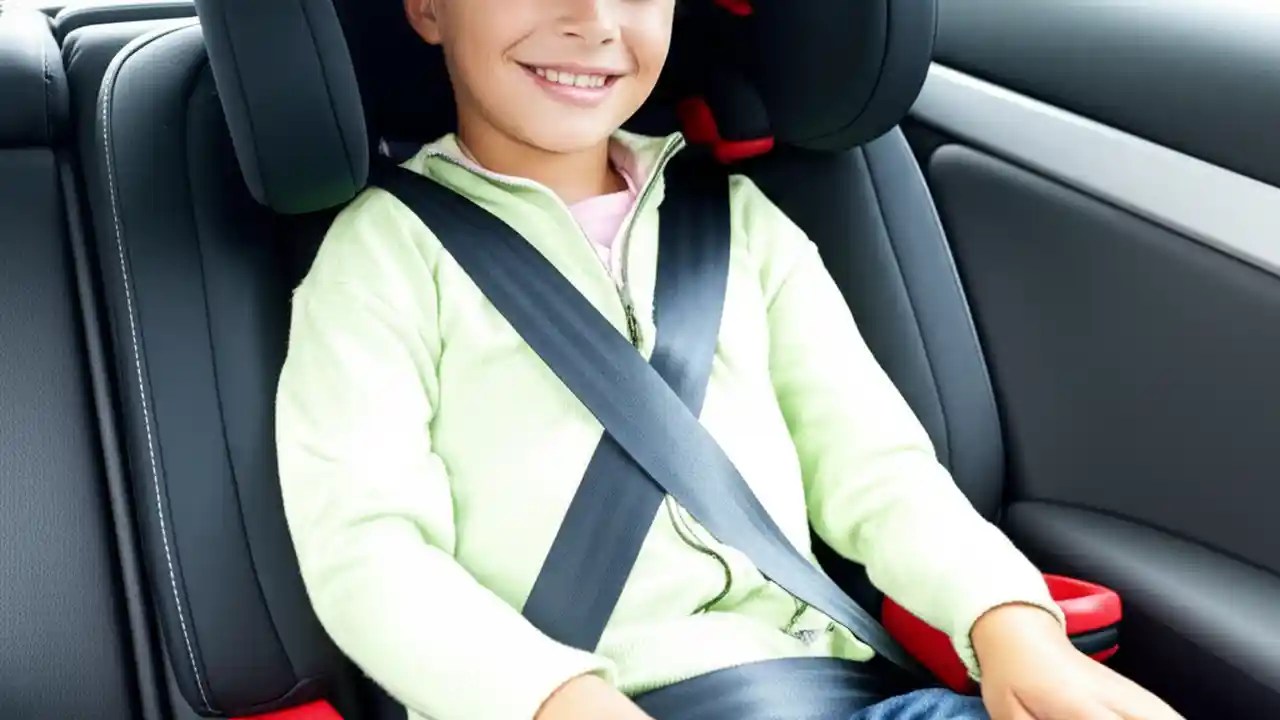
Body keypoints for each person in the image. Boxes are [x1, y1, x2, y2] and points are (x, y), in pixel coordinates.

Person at [274, 1, 1183, 719]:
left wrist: (1008, 619)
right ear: (428, 6)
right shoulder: (383, 257)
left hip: (835, 694)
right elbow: (370, 549)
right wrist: (549, 698)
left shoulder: (737, 224)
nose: (592, 18)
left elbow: (880, 473)